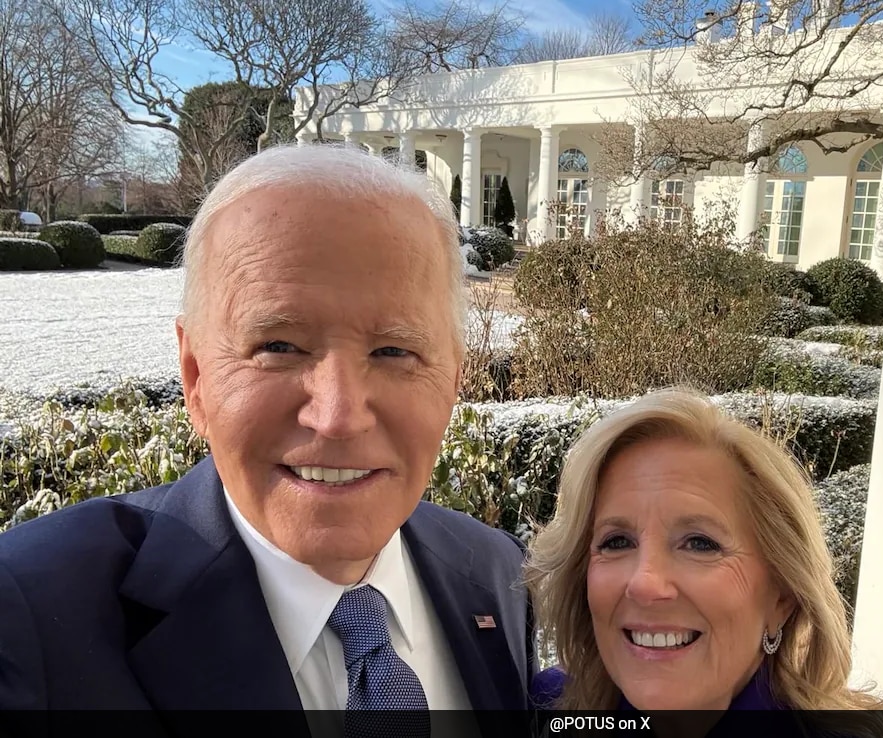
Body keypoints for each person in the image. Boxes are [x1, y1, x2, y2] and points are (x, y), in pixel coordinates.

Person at [0, 145, 536, 726]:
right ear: (196, 377)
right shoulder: (28, 617)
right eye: (278, 347)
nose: (336, 416)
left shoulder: (495, 572)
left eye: (394, 351)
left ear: (453, 380)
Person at [525, 388, 883, 737]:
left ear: (781, 597)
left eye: (700, 544)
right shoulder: (547, 713)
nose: (645, 583)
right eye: (616, 541)